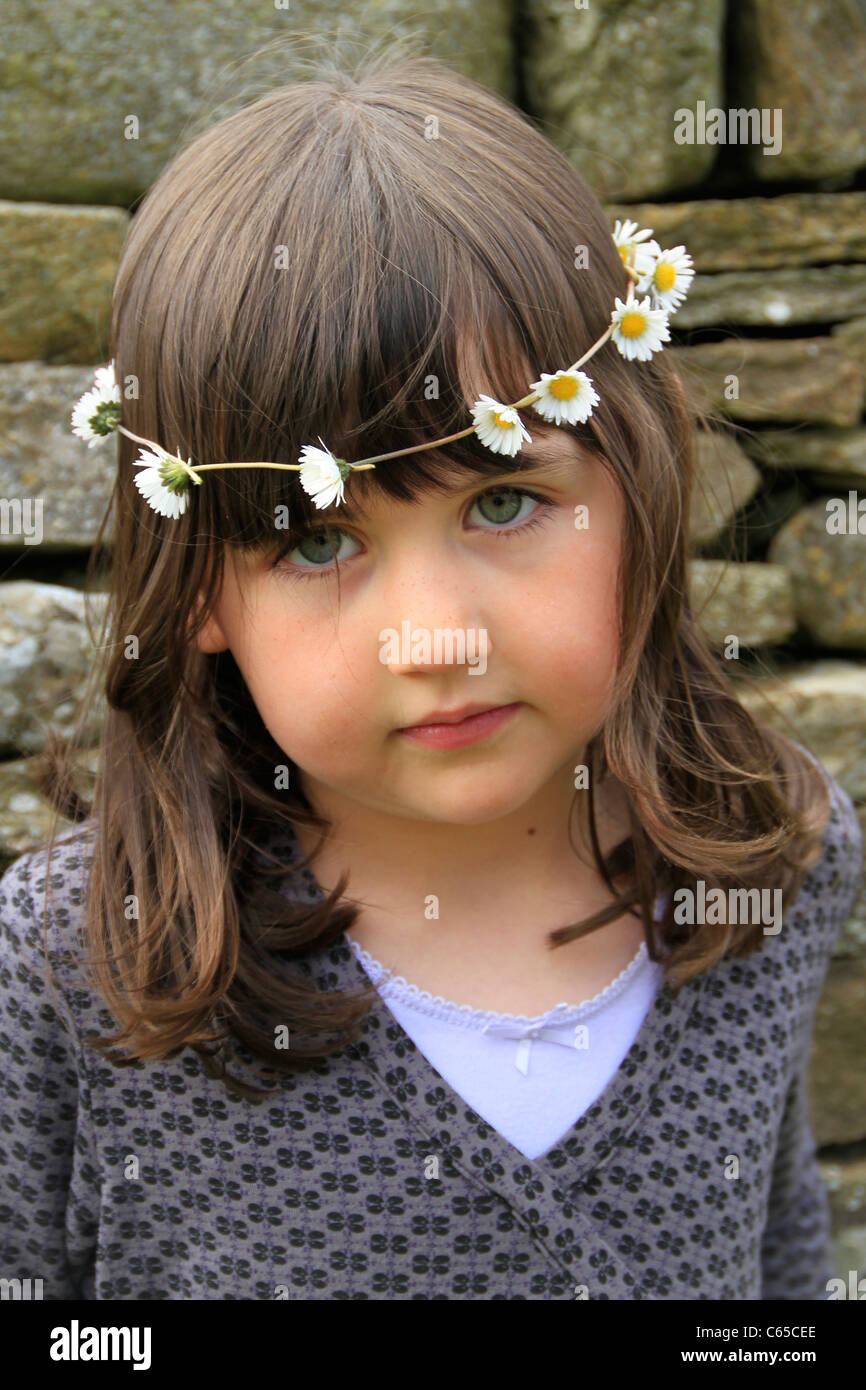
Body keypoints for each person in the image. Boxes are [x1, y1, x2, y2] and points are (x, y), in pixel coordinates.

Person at [0, 40, 861, 1301]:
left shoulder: (770, 870)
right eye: (318, 539)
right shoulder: (76, 972)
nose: (435, 637)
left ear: (639, 480)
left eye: (504, 502)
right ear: (197, 592)